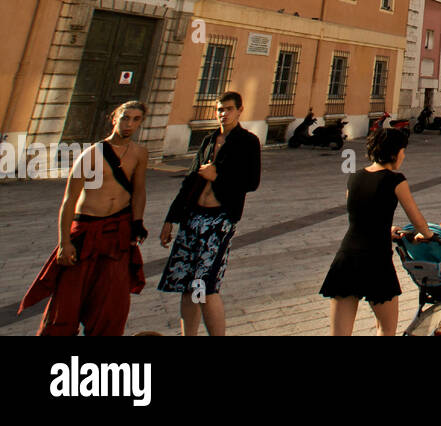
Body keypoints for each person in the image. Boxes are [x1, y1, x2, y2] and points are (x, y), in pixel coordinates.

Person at [19, 101, 149, 336]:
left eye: (136, 119)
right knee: (68, 301)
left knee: (111, 301)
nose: (130, 124)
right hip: (86, 232)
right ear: (114, 119)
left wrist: (137, 223)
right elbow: (70, 200)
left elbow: (139, 191)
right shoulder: (90, 155)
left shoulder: (140, 154)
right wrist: (64, 243)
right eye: (125, 118)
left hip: (117, 232)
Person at [159, 91, 261, 335]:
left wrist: (220, 177)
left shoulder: (247, 142)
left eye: (228, 109)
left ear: (239, 111)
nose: (223, 114)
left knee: (204, 286)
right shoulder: (208, 141)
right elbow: (190, 181)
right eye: (219, 109)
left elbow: (252, 182)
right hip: (192, 218)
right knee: (187, 285)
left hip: (219, 220)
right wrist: (170, 219)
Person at [320, 128, 434, 335]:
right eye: (403, 151)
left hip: (347, 257)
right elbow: (416, 218)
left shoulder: (354, 178)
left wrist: (385, 229)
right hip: (376, 260)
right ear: (394, 152)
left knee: (339, 333)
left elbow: (359, 215)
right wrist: (428, 236)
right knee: (386, 328)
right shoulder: (396, 180)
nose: (404, 155)